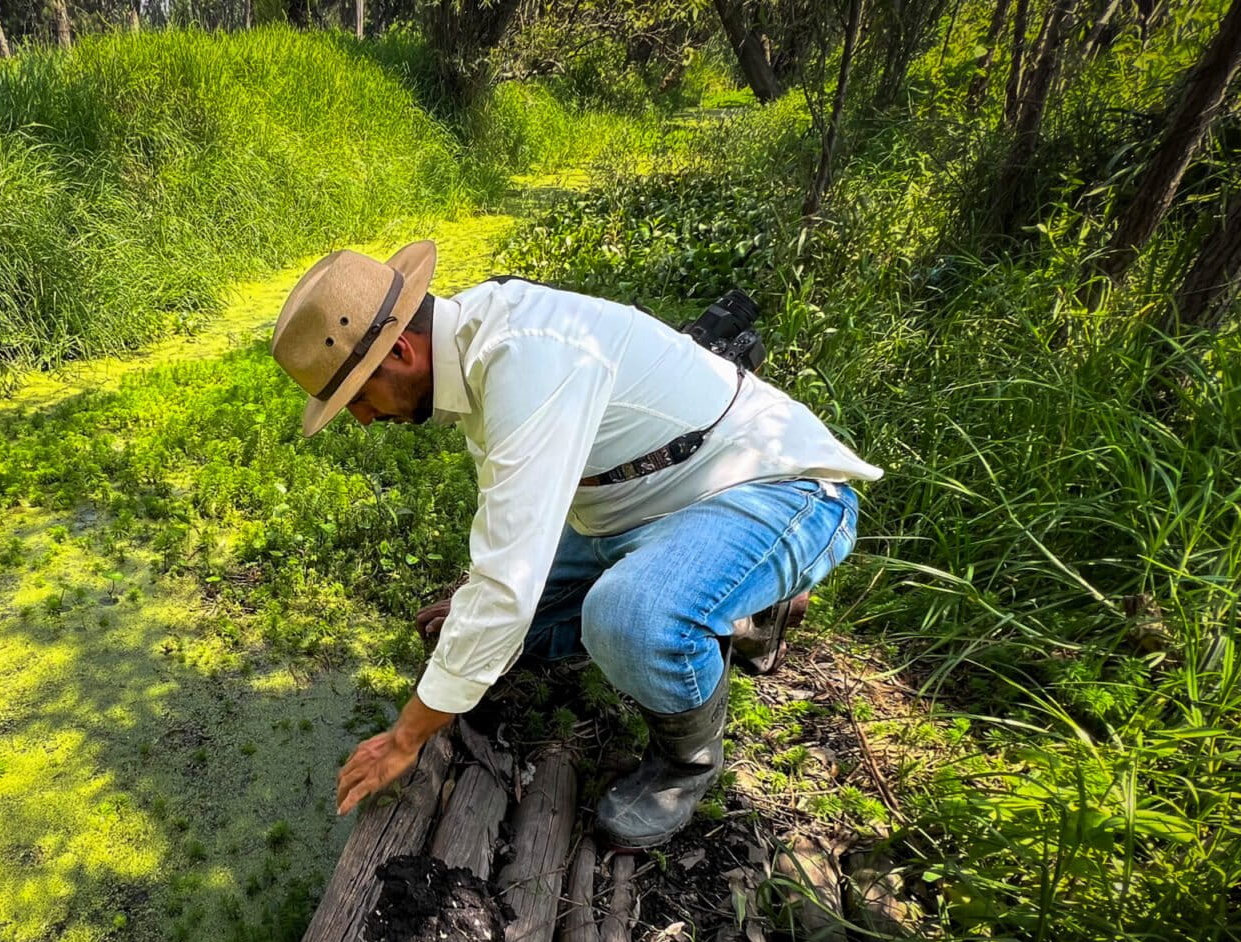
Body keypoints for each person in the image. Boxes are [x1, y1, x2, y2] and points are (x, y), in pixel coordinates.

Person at [269, 240, 882, 848]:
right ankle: (744, 609)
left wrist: (406, 737)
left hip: (777, 492)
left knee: (628, 619)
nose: (367, 421)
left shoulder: (527, 359)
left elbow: (509, 580)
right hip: (637, 503)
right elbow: (514, 522)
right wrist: (475, 615)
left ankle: (686, 763)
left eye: (358, 400)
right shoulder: (474, 340)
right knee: (496, 639)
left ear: (401, 350)